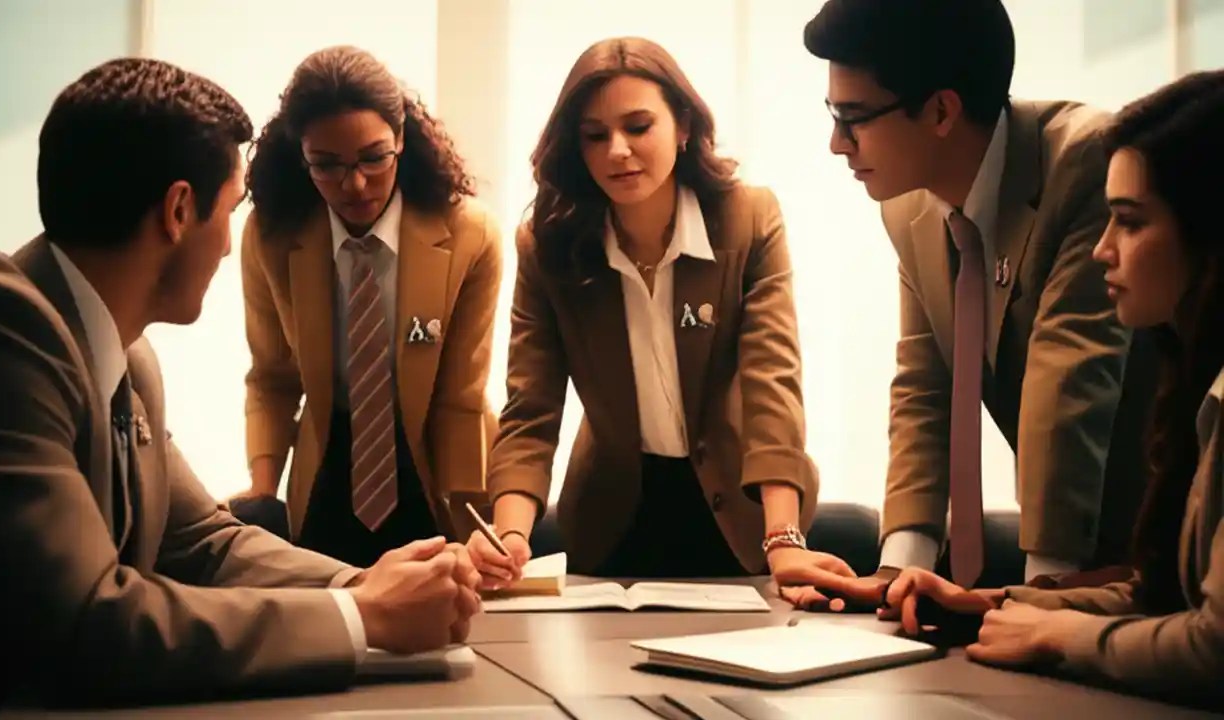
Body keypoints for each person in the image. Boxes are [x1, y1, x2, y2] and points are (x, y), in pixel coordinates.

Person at [0, 58, 479, 716]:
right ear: (178, 210)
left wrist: (369, 582)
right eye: (228, 210)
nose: (230, 246)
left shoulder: (124, 355)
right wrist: (361, 616)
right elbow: (89, 625)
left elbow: (201, 542)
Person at [787, 0, 1155, 608]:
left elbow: (1067, 384)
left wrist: (1041, 601)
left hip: (1163, 533)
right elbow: (924, 386)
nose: (836, 144)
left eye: (853, 118)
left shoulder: (1082, 163)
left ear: (940, 111)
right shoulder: (905, 207)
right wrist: (893, 577)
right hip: (1080, 561)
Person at [882, 69, 1224, 708]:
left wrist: (1059, 635)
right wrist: (999, 604)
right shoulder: (1197, 384)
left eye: (1128, 222)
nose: (1101, 250)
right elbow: (1162, 593)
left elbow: (1213, 645)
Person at [468, 36, 822, 584]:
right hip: (611, 520)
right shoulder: (548, 246)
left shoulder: (748, 219)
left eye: (638, 127)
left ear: (682, 126)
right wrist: (509, 536)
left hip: (744, 514)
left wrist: (784, 538)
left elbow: (771, 383)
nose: (616, 150)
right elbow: (531, 409)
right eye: (595, 135)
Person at [236, 46, 502, 567]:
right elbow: (271, 377)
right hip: (330, 466)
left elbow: (460, 395)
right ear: (301, 156)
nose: (353, 184)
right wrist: (262, 502)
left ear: (401, 138)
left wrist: (470, 517)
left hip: (431, 461)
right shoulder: (272, 235)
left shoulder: (470, 234)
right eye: (326, 165)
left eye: (374, 158)